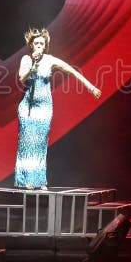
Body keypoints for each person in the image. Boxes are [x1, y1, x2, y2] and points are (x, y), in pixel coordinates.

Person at [15, 28, 101, 190]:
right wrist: (33, 65)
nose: (39, 45)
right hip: (28, 105)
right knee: (27, 141)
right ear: (32, 45)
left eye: (42, 43)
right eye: (36, 43)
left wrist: (91, 87)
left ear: (45, 45)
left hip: (44, 106)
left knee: (40, 141)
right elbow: (21, 78)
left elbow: (72, 71)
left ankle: (39, 180)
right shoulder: (26, 59)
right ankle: (26, 180)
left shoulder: (50, 60)